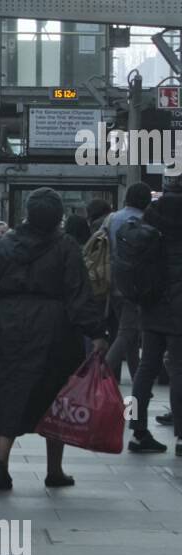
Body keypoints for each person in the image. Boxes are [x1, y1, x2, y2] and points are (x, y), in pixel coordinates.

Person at [0, 188, 108, 490]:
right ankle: (54, 470)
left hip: (7, 325)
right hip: (54, 328)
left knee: (8, 390)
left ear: (27, 213)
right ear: (57, 217)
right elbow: (79, 294)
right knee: (55, 393)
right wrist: (96, 333)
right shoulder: (67, 247)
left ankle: (0, 459)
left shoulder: (1, 246)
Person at [126, 177, 182, 456]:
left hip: (151, 303)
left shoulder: (153, 212)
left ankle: (136, 430)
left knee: (145, 369)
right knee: (179, 370)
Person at [105, 183, 151, 387]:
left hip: (113, 281)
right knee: (127, 332)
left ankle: (138, 379)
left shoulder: (112, 218)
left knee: (129, 332)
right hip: (135, 285)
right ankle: (100, 373)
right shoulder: (146, 220)